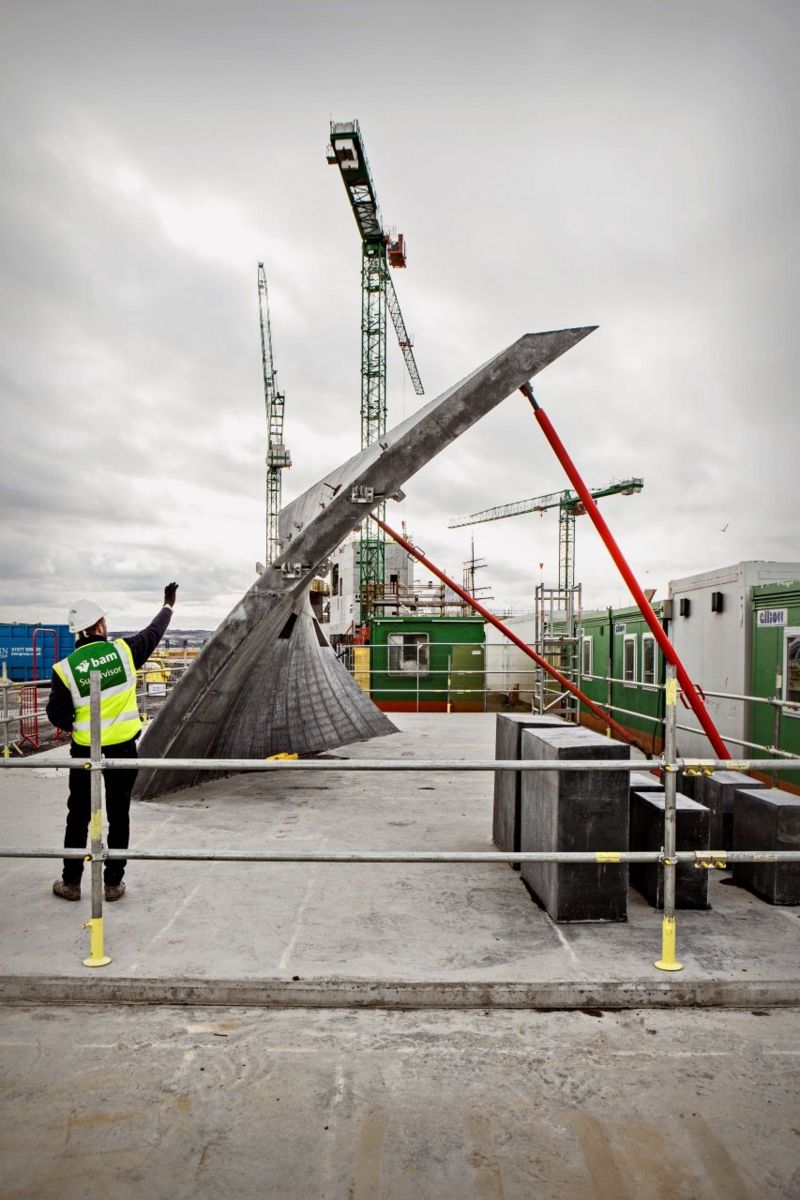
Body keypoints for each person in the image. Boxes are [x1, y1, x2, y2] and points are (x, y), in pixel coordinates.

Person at [46, 582, 178, 902]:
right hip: (122, 750)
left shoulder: (64, 670)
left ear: (77, 633)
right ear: (101, 626)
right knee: (119, 816)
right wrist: (168, 606)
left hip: (84, 753)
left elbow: (56, 714)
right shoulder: (122, 652)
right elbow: (153, 631)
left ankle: (72, 882)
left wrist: (82, 724)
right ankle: (112, 883)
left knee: (78, 816)